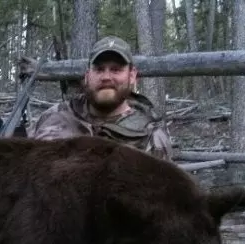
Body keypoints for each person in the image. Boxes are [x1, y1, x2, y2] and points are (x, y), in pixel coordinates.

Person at [28, 36, 173, 161]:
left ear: (132, 76)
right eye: (99, 69)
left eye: (116, 69)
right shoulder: (54, 116)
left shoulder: (151, 136)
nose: (106, 77)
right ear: (87, 76)